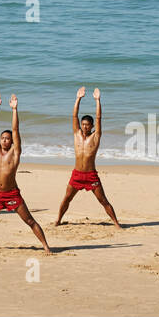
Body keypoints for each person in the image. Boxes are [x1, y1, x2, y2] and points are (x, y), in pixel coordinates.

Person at [0, 94, 51, 253]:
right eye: (3, 138)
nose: (5, 140)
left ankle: (46, 246)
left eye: (8, 139)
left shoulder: (15, 152)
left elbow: (15, 129)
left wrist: (14, 109)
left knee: (29, 220)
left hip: (12, 194)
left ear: (12, 142)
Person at [55, 87, 122, 227]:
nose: (85, 127)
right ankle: (58, 220)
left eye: (87, 125)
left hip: (91, 175)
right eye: (83, 124)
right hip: (77, 174)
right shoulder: (76, 134)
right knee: (67, 198)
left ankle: (116, 223)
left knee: (103, 200)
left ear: (92, 126)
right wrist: (78, 98)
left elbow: (99, 117)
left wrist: (97, 100)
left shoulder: (96, 136)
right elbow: (74, 116)